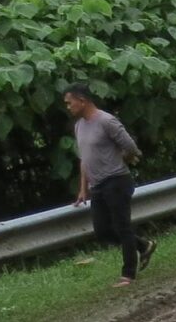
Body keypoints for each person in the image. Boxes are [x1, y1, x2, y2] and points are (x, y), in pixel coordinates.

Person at [64, 84, 155, 288]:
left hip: (116, 180)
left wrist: (124, 159)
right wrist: (83, 188)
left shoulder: (106, 121)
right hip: (97, 185)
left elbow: (131, 147)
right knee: (102, 230)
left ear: (82, 100)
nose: (68, 107)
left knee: (123, 227)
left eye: (70, 103)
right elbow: (84, 159)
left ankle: (128, 274)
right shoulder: (79, 125)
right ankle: (143, 245)